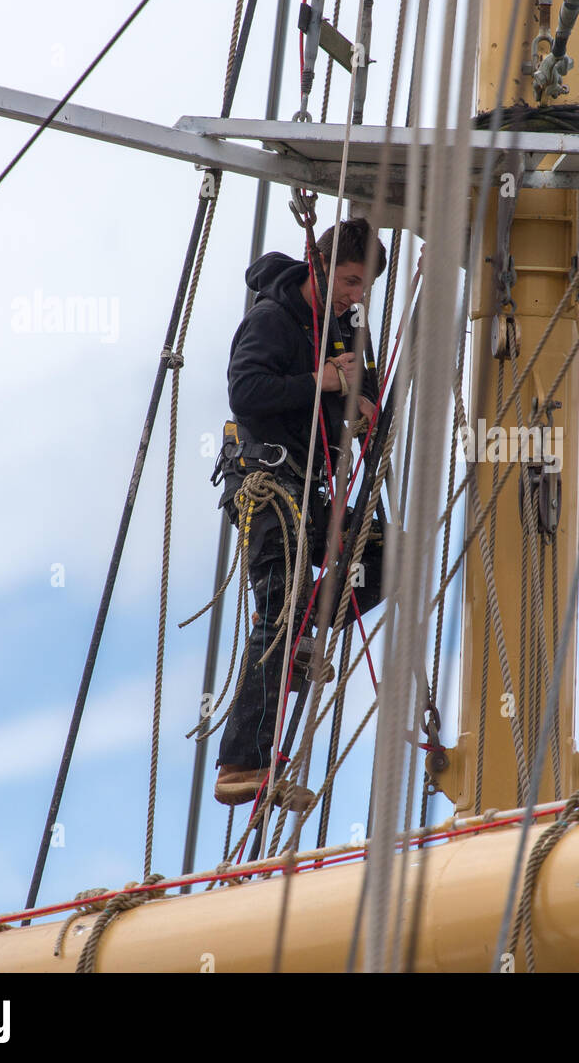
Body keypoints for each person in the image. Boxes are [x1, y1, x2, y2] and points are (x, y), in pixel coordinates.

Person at [211, 217, 386, 806]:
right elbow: (248, 392)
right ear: (320, 263)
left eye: (365, 287)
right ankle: (241, 763)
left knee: (388, 552)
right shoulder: (273, 318)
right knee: (276, 612)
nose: (356, 295)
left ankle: (308, 630)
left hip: (310, 494)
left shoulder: (346, 327)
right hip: (265, 485)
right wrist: (321, 381)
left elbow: (369, 394)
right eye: (350, 279)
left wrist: (364, 402)